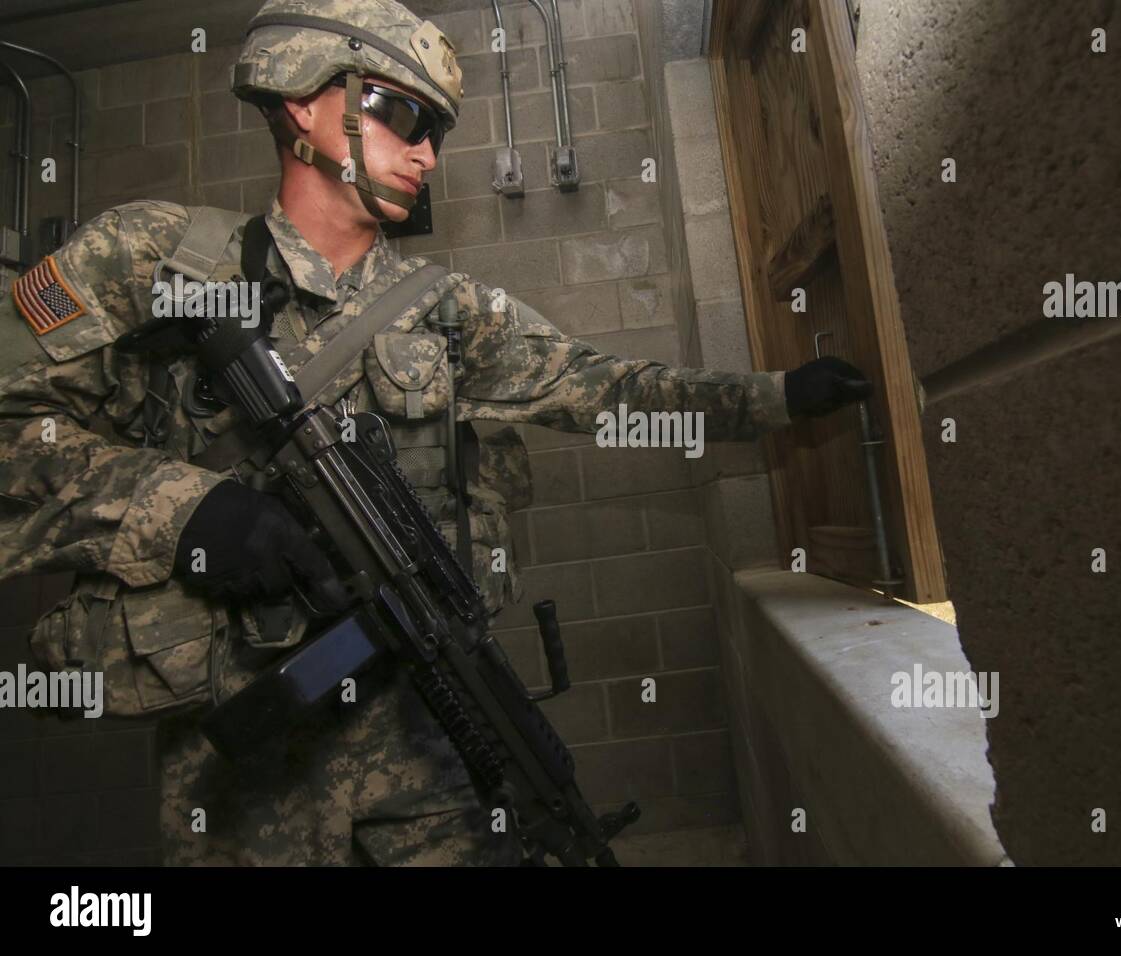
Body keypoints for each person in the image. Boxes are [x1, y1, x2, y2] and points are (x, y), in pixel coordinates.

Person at [0, 0, 871, 865]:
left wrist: (775, 396)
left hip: (430, 734)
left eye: (438, 131)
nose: (426, 152)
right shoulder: (158, 258)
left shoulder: (450, 314)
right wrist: (188, 513)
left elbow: (607, 391)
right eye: (403, 114)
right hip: (240, 768)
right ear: (303, 99)